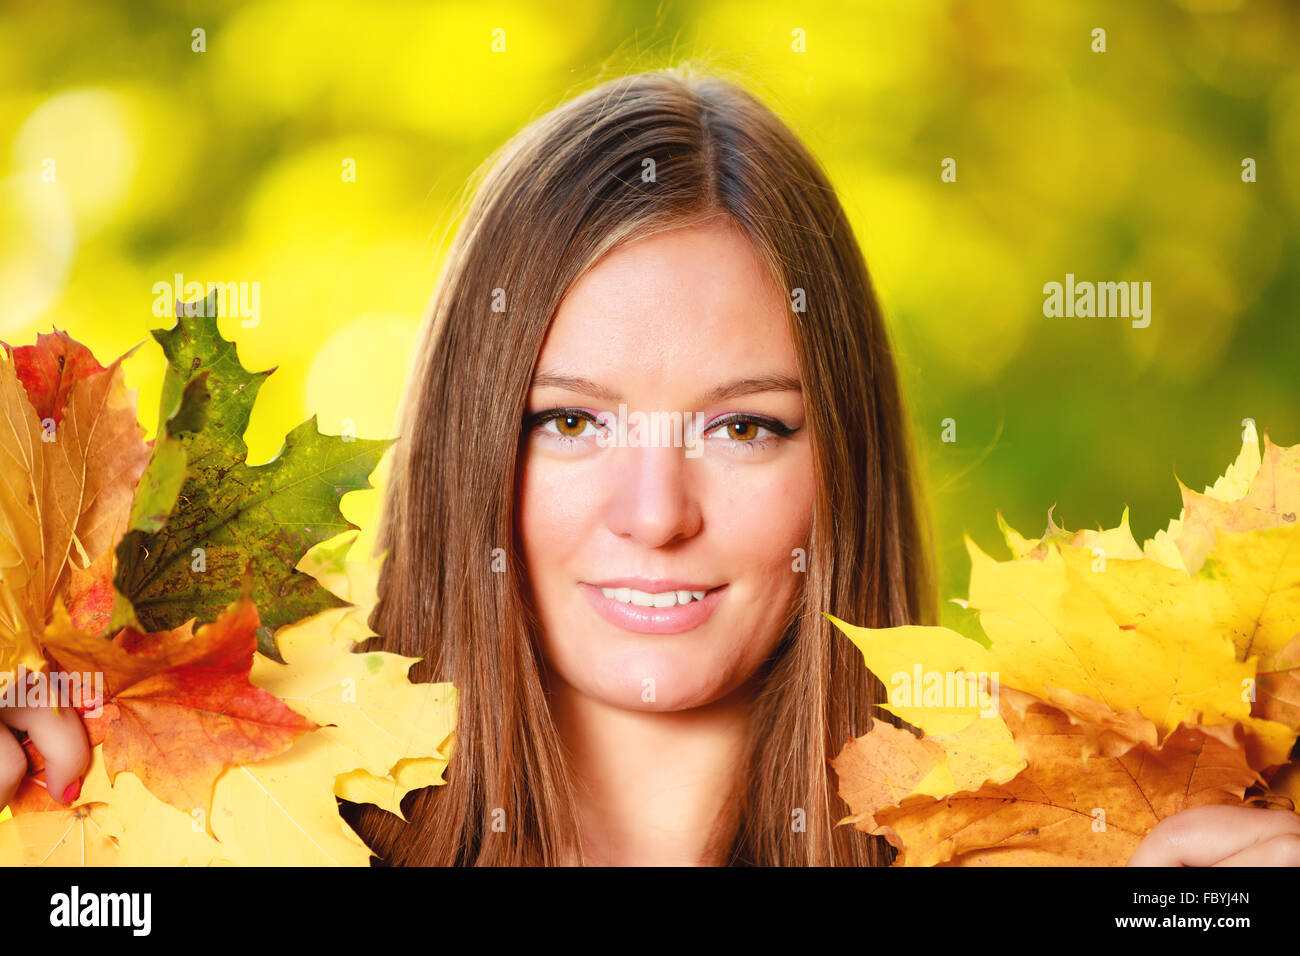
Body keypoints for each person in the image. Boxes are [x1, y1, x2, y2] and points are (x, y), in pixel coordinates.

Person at [5, 67, 1296, 867]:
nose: (655, 514)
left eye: (745, 427)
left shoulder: (1066, 852)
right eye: (570, 421)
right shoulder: (191, 832)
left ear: (839, 463)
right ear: (469, 451)